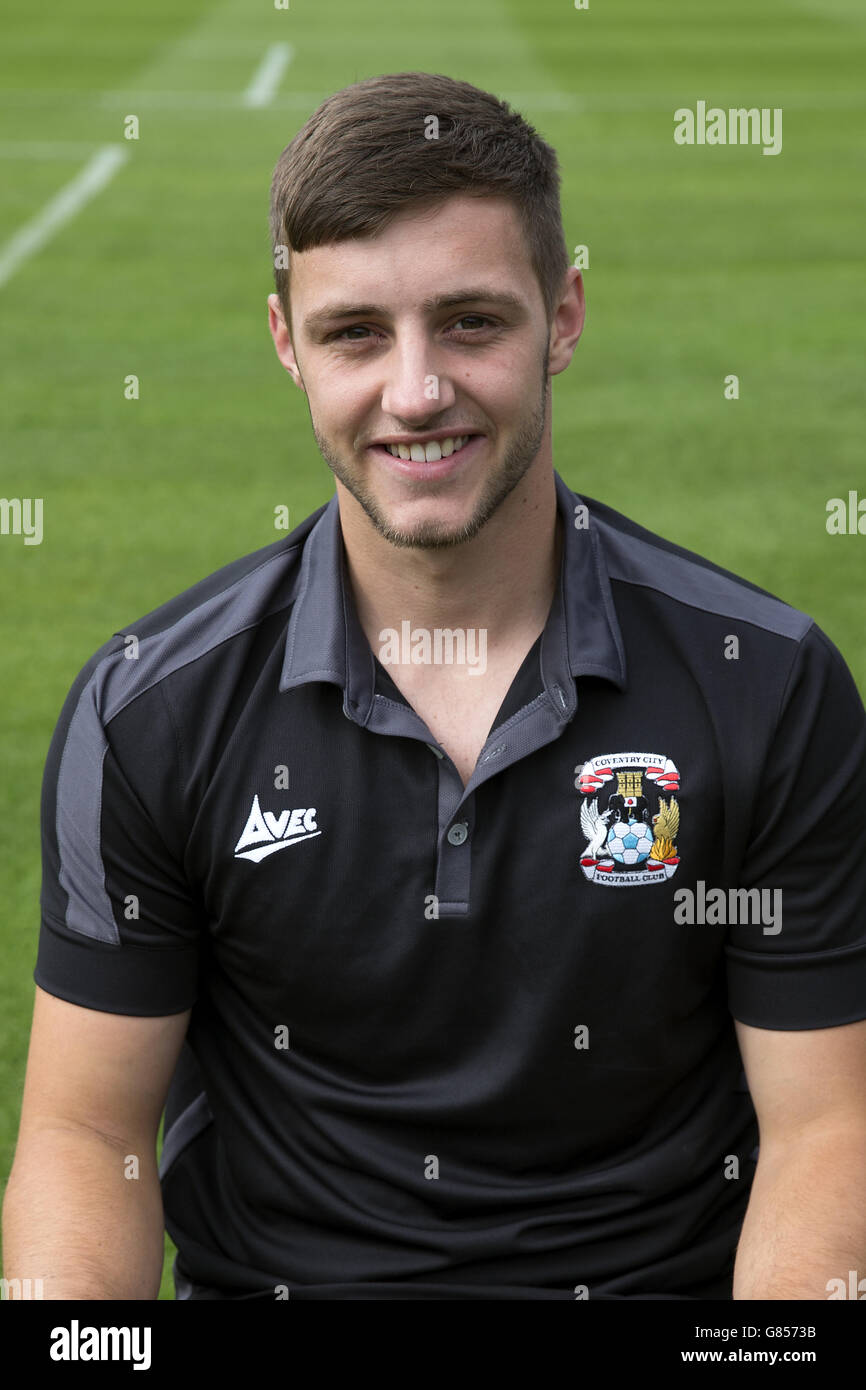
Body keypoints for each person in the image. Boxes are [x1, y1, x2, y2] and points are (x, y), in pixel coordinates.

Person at [3, 71, 866, 1302]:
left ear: (562, 315)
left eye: (471, 322)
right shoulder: (151, 712)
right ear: (285, 344)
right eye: (357, 332)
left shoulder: (765, 687)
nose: (415, 391)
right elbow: (86, 1137)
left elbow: (826, 1130)